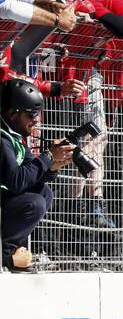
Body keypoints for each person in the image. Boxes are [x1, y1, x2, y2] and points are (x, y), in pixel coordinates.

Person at [0, 79, 74, 271]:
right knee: (34, 203)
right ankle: (6, 255)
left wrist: (54, 165)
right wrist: (49, 156)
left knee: (44, 192)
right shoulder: (2, 139)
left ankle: (16, 250)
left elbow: (32, 174)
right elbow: (16, 181)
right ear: (11, 114)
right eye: (31, 115)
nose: (36, 120)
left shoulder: (14, 135)